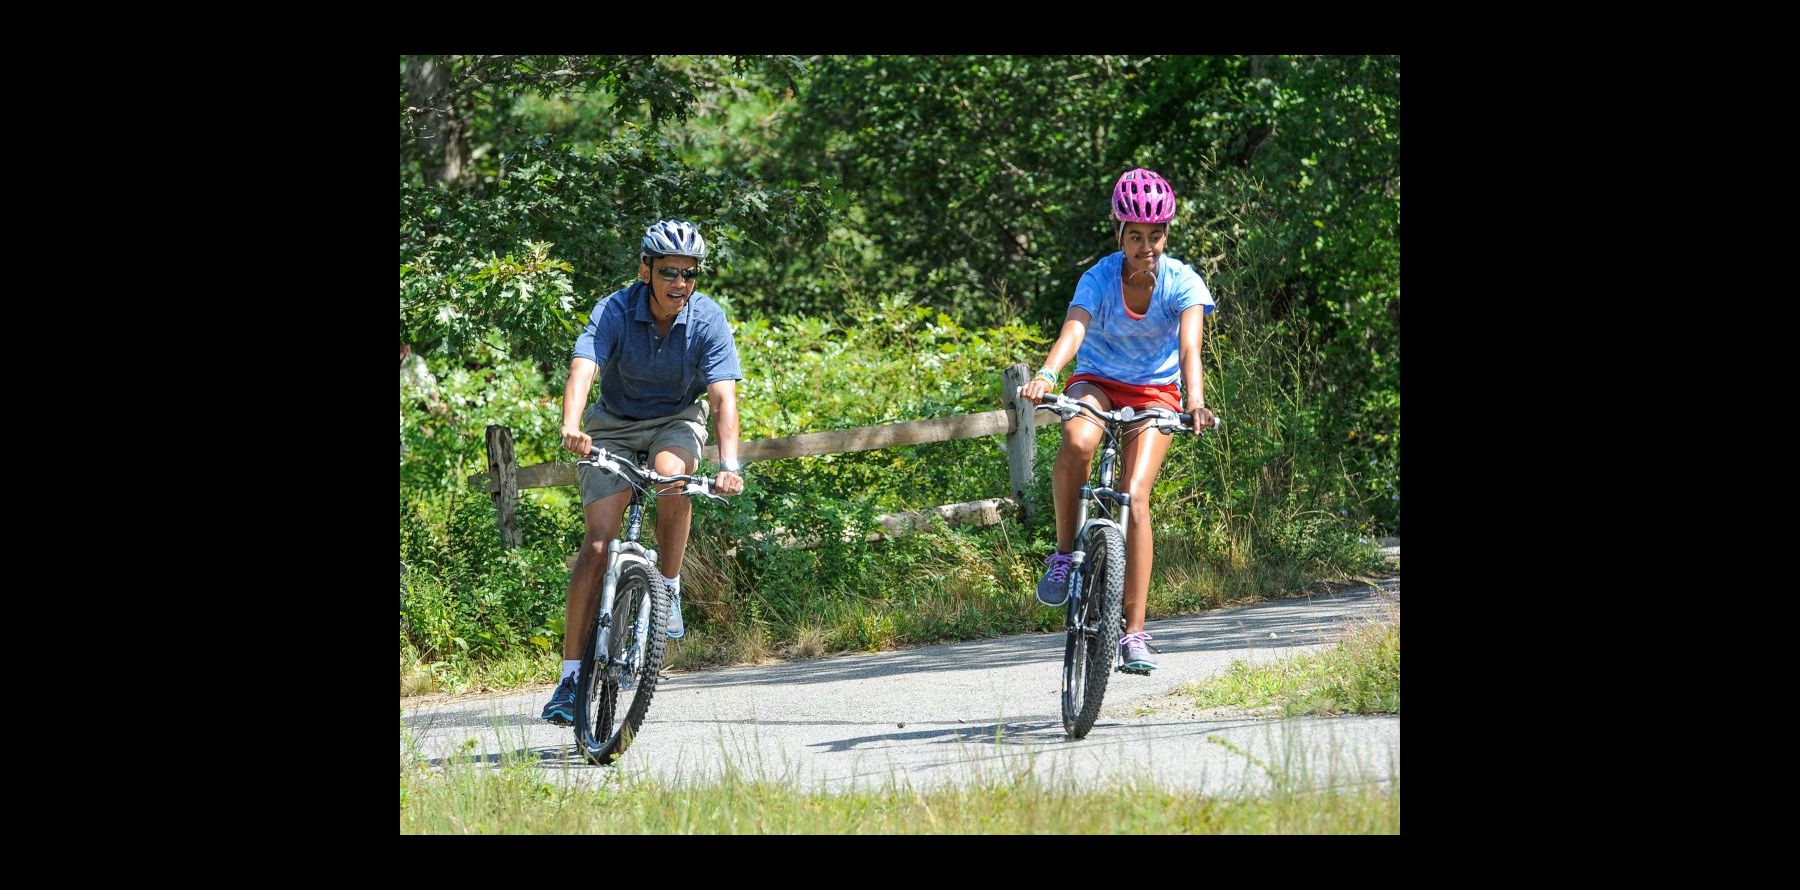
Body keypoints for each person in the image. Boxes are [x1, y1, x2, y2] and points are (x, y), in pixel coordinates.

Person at [541, 219, 746, 725]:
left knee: (673, 475)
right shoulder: (615, 308)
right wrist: (572, 426)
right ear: (646, 270)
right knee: (596, 544)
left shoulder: (707, 318)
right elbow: (583, 366)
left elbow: (722, 398)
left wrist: (730, 464)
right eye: (671, 271)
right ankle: (570, 680)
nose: (681, 283)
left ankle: (668, 588)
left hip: (675, 420)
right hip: (611, 426)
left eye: (690, 273)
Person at [1018, 168, 1217, 674]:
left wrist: (1195, 401)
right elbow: (1074, 330)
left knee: (1135, 493)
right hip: (1098, 381)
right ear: (1119, 234)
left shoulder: (1182, 282)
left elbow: (1190, 347)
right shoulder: (1099, 277)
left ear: (1166, 234)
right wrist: (1046, 373)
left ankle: (1133, 632)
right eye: (1135, 236)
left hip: (1156, 391)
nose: (1145, 246)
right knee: (1077, 440)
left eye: (1154, 236)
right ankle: (1064, 555)